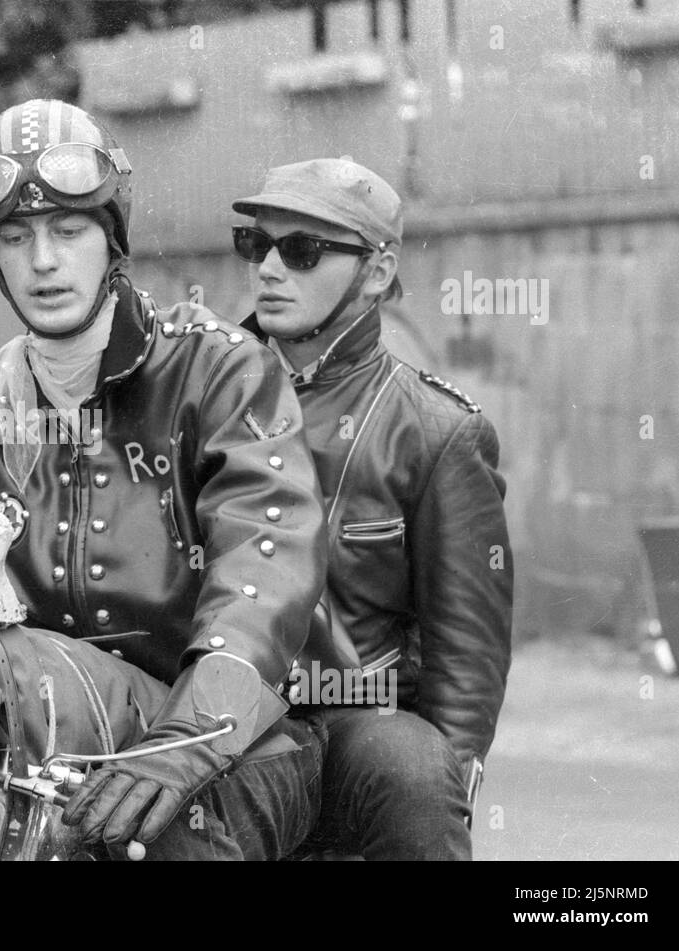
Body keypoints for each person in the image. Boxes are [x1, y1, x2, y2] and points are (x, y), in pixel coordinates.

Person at [0, 99, 331, 859]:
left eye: (68, 230)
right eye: (15, 236)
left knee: (161, 841)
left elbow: (266, 565)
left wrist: (189, 734)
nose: (42, 260)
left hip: (234, 739)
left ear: (112, 239)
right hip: (45, 742)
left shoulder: (221, 369)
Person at [232, 158, 514, 859]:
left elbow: (466, 658)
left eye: (301, 251)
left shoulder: (437, 431)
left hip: (347, 737)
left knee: (413, 765)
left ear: (378, 273)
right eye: (256, 244)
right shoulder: (199, 393)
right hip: (211, 722)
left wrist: (429, 790)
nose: (269, 267)